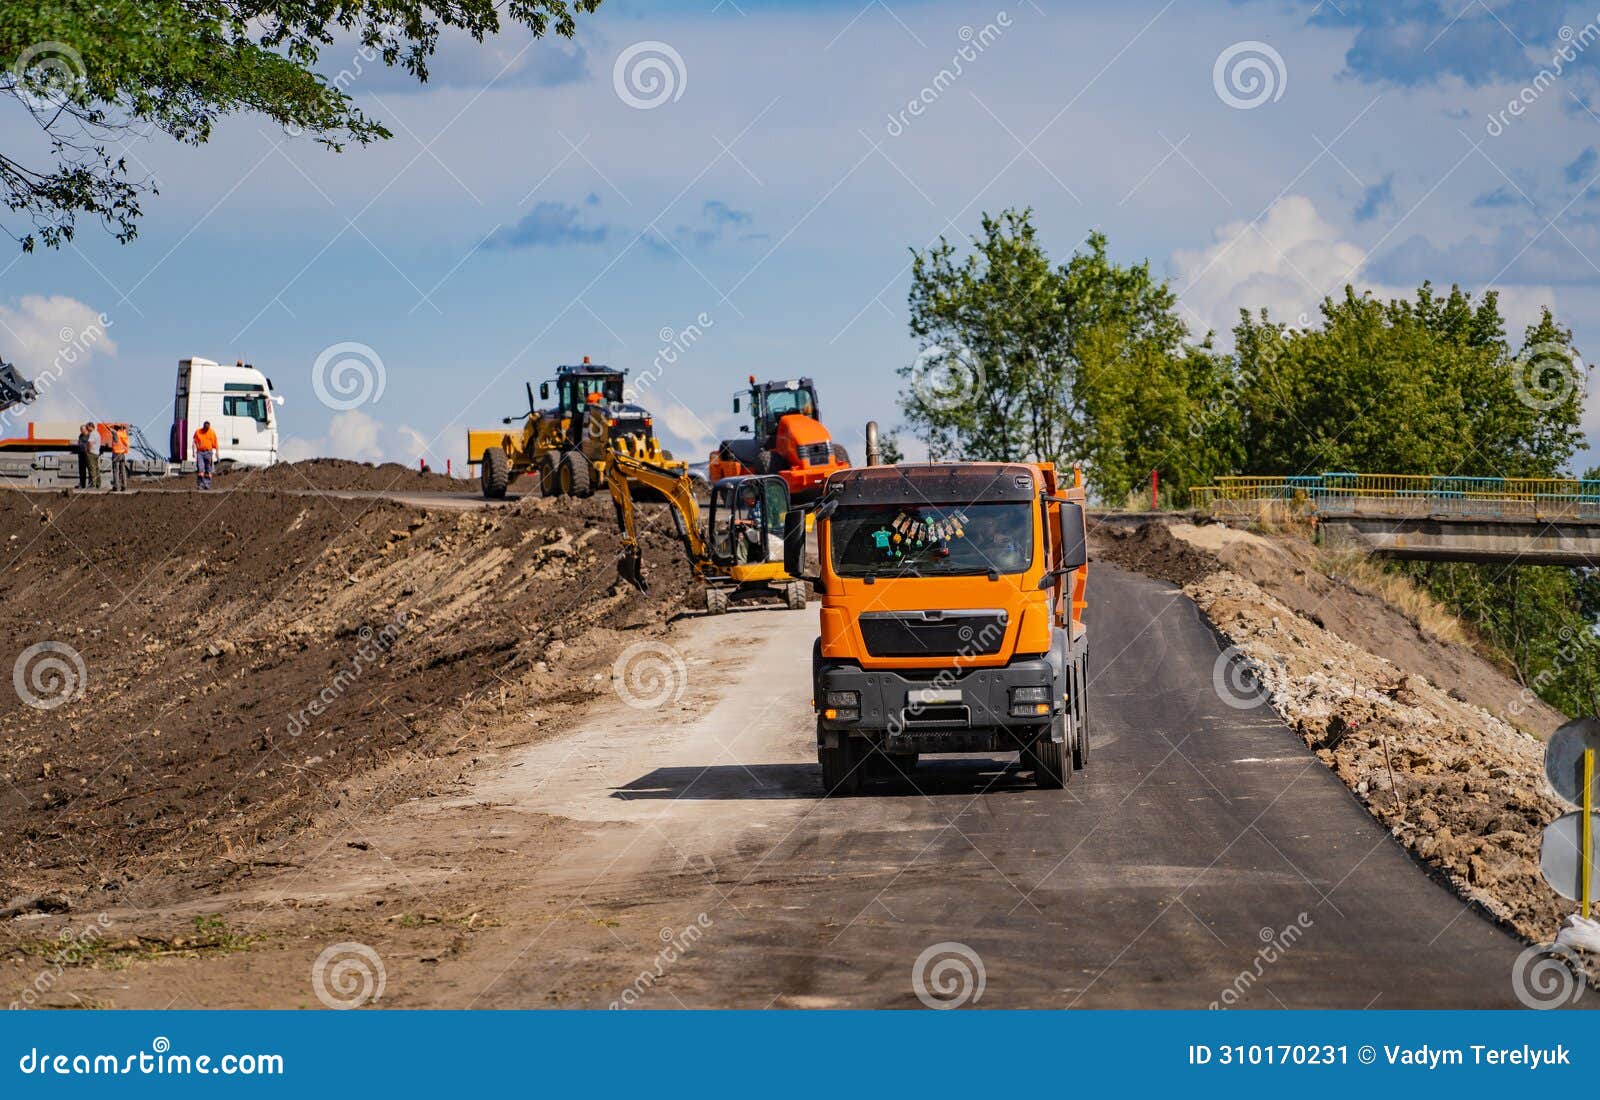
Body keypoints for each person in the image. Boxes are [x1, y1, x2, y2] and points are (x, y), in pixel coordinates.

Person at [192, 420, 219, 489]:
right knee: (200, 469)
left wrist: (217, 453)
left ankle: (207, 485)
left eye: (207, 428)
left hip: (208, 453)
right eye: (205, 428)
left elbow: (216, 443)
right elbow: (194, 442)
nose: (206, 430)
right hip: (200, 452)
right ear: (203, 427)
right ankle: (200, 485)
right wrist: (193, 451)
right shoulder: (198, 432)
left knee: (208, 469)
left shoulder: (212, 432)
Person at [110, 422, 129, 492]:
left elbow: (110, 429)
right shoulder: (124, 434)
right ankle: (124, 486)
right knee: (123, 471)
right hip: (123, 454)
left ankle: (116, 486)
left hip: (116, 454)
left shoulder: (116, 433)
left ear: (115, 428)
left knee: (116, 471)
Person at [75, 423, 91, 490]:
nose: (81, 431)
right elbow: (79, 443)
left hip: (87, 454)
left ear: (86, 429)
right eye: (81, 429)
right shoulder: (80, 436)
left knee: (90, 469)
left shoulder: (89, 436)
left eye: (82, 429)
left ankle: (91, 484)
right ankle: (82, 484)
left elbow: (90, 444)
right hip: (81, 454)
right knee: (81, 470)